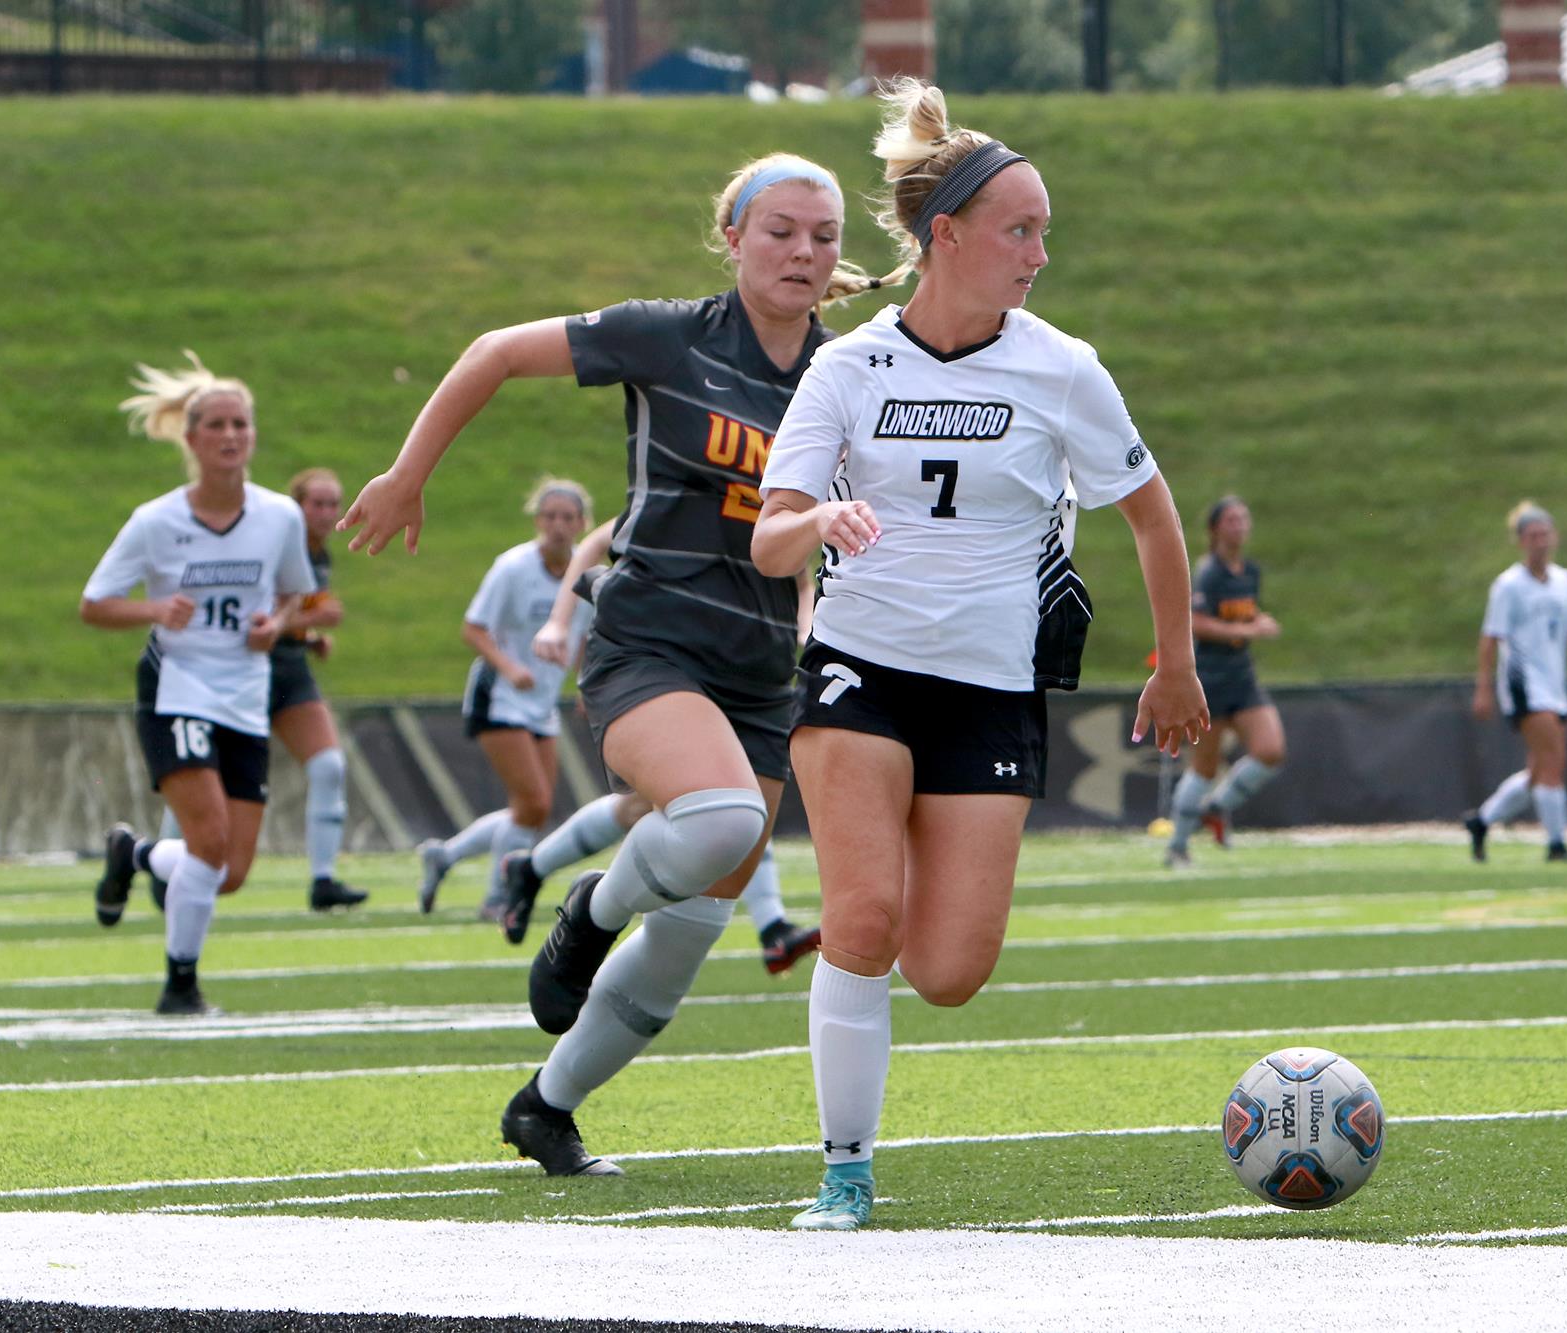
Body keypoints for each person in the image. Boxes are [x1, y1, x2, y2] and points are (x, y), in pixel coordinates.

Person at [341, 151, 883, 1176]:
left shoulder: (850, 371)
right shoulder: (668, 336)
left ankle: (546, 1106)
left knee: (690, 935)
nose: (803, 252)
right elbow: (495, 351)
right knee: (720, 820)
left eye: (822, 235)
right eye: (779, 230)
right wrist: (407, 474)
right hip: (649, 644)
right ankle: (585, 912)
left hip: (763, 670)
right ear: (730, 236)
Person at [751, 78, 1210, 1231]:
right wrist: (820, 525)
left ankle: (882, 950)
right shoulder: (847, 368)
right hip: (859, 670)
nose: (1039, 253)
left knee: (948, 969)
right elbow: (769, 538)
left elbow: (1151, 516)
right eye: (1021, 229)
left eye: (1044, 230)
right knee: (861, 918)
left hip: (991, 689)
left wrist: (1175, 662)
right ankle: (843, 1172)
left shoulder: (1062, 368)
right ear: (943, 236)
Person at [81, 352, 315, 1015]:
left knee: (229, 871)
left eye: (240, 423)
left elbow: (300, 592)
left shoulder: (279, 517)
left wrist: (280, 622)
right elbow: (95, 602)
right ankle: (180, 984)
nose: (231, 435)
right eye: (216, 424)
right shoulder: (156, 521)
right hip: (177, 687)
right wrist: (154, 609)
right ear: (191, 439)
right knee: (208, 844)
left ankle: (136, 854)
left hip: (245, 691)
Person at [489, 513, 824, 972]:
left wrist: (804, 627)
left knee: (671, 804)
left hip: (742, 668)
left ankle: (532, 869)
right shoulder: (689, 491)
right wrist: (558, 623)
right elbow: (596, 544)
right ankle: (769, 926)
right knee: (728, 795)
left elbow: (798, 575)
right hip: (671, 665)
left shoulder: (775, 499)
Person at [149, 466, 366, 912]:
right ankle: (163, 861)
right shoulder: (265, 538)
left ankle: (323, 881)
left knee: (328, 767)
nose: (327, 513)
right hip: (239, 673)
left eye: (333, 504)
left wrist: (308, 638)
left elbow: (286, 617)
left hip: (288, 672)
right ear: (296, 505)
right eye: (317, 504)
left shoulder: (318, 553)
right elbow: (252, 618)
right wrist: (310, 623)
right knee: (200, 776)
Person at [415, 478, 595, 920]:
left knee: (533, 810)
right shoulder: (513, 568)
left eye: (567, 517)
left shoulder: (584, 579)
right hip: (499, 698)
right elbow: (474, 628)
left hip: (542, 704)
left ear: (582, 525)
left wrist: (588, 684)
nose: (557, 525)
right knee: (532, 803)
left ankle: (446, 855)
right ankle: (497, 898)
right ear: (538, 521)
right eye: (549, 516)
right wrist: (510, 667)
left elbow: (583, 637)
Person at [1464, 500, 1567, 862]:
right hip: (1523, 683)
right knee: (1553, 761)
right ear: (1520, 542)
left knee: (1539, 770)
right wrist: (1483, 688)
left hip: (1553, 683)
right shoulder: (1508, 586)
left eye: (1545, 534)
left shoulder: (1564, 580)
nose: (1540, 542)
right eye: (1532, 536)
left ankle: (1482, 820)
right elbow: (1490, 639)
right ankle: (1557, 844)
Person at [1163, 495, 1285, 866]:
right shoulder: (1209, 572)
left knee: (1270, 750)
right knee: (1205, 766)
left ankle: (1216, 807)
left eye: (1243, 519)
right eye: (1232, 520)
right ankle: (1178, 846)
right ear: (1216, 528)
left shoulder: (1249, 572)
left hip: (1242, 676)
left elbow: (1241, 617)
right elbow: (1197, 623)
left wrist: (1256, 622)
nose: (1240, 526)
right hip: (1212, 678)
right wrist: (1248, 630)